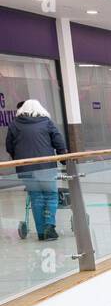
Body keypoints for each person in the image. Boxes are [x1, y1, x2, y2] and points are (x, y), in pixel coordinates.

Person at [5, 99, 67, 240]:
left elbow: (9, 146)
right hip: (46, 167)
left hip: (26, 168)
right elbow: (59, 142)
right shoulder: (46, 122)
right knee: (51, 196)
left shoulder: (14, 125)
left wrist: (19, 160)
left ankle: (41, 232)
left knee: (36, 198)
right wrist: (63, 158)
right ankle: (49, 228)